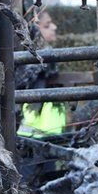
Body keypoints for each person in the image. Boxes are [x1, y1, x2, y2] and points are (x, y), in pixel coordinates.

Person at [17, 10, 66, 138]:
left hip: (45, 136)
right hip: (34, 136)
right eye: (47, 25)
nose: (54, 27)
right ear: (34, 30)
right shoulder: (34, 67)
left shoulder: (46, 63)